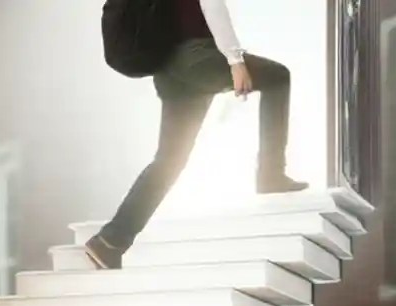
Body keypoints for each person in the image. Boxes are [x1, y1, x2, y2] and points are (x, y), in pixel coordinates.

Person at [84, 0, 309, 270]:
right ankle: (271, 175)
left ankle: (111, 241)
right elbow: (212, 4)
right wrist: (235, 60)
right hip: (196, 56)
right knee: (278, 77)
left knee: (170, 160)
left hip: (168, 66)